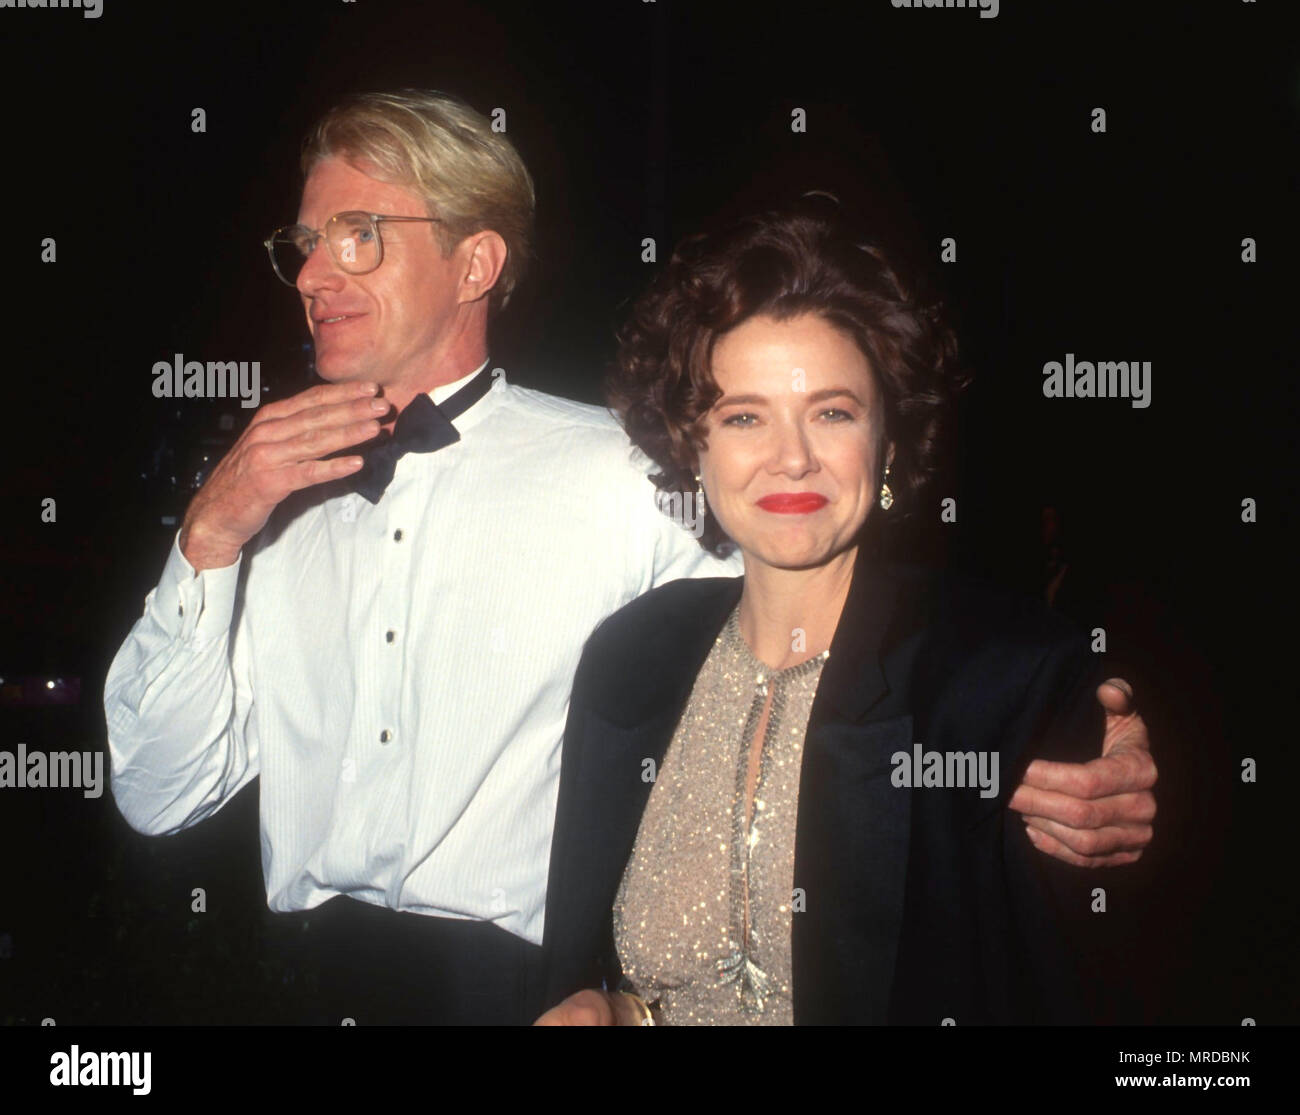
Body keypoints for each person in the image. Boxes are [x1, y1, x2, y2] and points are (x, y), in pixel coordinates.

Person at [105, 91, 1153, 1026]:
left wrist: (1053, 744)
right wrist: (209, 536)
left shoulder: (634, 469)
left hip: (530, 998)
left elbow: (817, 666)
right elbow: (160, 795)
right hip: (285, 989)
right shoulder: (261, 500)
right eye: (303, 241)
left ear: (476, 261)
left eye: (357, 234)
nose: (312, 272)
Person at [538, 195, 1153, 1026]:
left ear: (889, 443)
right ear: (693, 443)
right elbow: (581, 953)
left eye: (832, 411)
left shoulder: (1001, 681)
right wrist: (604, 1007)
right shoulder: (631, 654)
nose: (791, 456)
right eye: (744, 415)